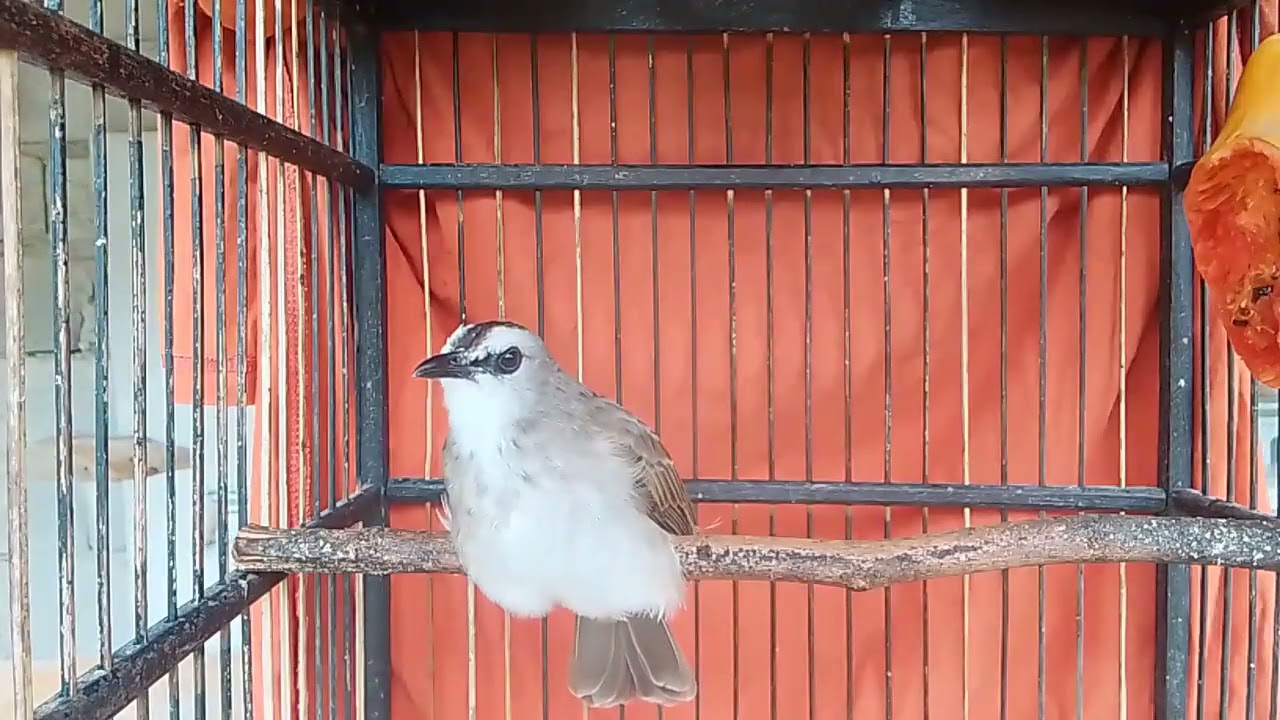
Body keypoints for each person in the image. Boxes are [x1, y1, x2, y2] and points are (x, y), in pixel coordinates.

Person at [168, 2, 1278, 717]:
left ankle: (628, 656)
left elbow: (673, 519)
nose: (461, 373)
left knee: (618, 596)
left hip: (628, 575)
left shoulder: (607, 437)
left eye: (487, 361)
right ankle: (616, 660)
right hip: (537, 564)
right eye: (459, 362)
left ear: (527, 369)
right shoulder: (458, 466)